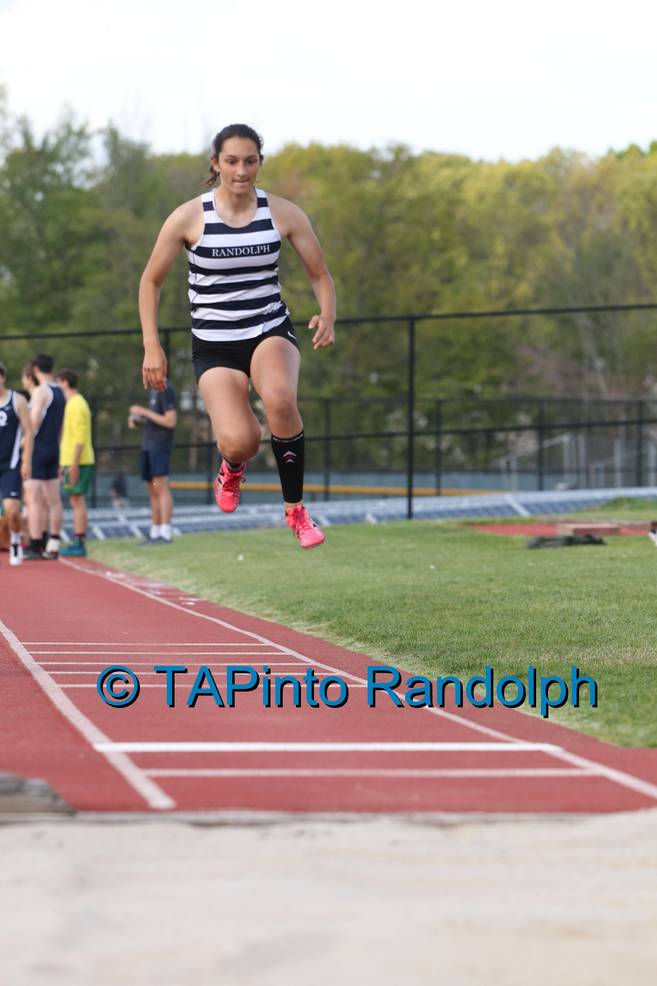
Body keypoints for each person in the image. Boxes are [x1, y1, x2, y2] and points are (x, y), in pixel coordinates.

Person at [138, 123, 335, 549]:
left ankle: (296, 510)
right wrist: (152, 346)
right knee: (242, 441)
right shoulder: (190, 217)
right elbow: (150, 282)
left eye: (250, 161)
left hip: (268, 329)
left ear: (260, 163)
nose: (241, 170)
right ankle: (232, 466)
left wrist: (328, 314)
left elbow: (320, 274)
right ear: (216, 163)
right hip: (214, 344)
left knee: (281, 399)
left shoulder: (282, 213)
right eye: (231, 161)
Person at [24, 353, 65, 560]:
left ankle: (35, 544)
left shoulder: (41, 391)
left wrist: (24, 444)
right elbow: (61, 428)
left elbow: (33, 422)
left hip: (38, 449)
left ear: (36, 369)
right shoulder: (61, 392)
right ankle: (53, 542)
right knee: (54, 500)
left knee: (34, 499)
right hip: (53, 449)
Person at [128, 381, 177, 544]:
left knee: (161, 488)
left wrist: (144, 411)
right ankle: (155, 532)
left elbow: (170, 421)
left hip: (159, 447)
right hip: (148, 446)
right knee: (152, 491)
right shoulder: (154, 392)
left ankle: (165, 532)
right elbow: (155, 418)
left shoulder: (166, 389)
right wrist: (138, 419)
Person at [55, 369, 95, 557]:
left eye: (58, 382)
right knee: (75, 500)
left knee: (77, 501)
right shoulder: (71, 403)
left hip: (79, 461)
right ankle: (77, 540)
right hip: (71, 461)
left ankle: (79, 543)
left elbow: (79, 438)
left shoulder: (77, 404)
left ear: (64, 382)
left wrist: (73, 464)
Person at [0, 361, 33, 566]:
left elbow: (29, 432)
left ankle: (14, 542)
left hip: (10, 465)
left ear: (3, 377)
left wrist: (26, 462)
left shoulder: (17, 400)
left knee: (12, 511)